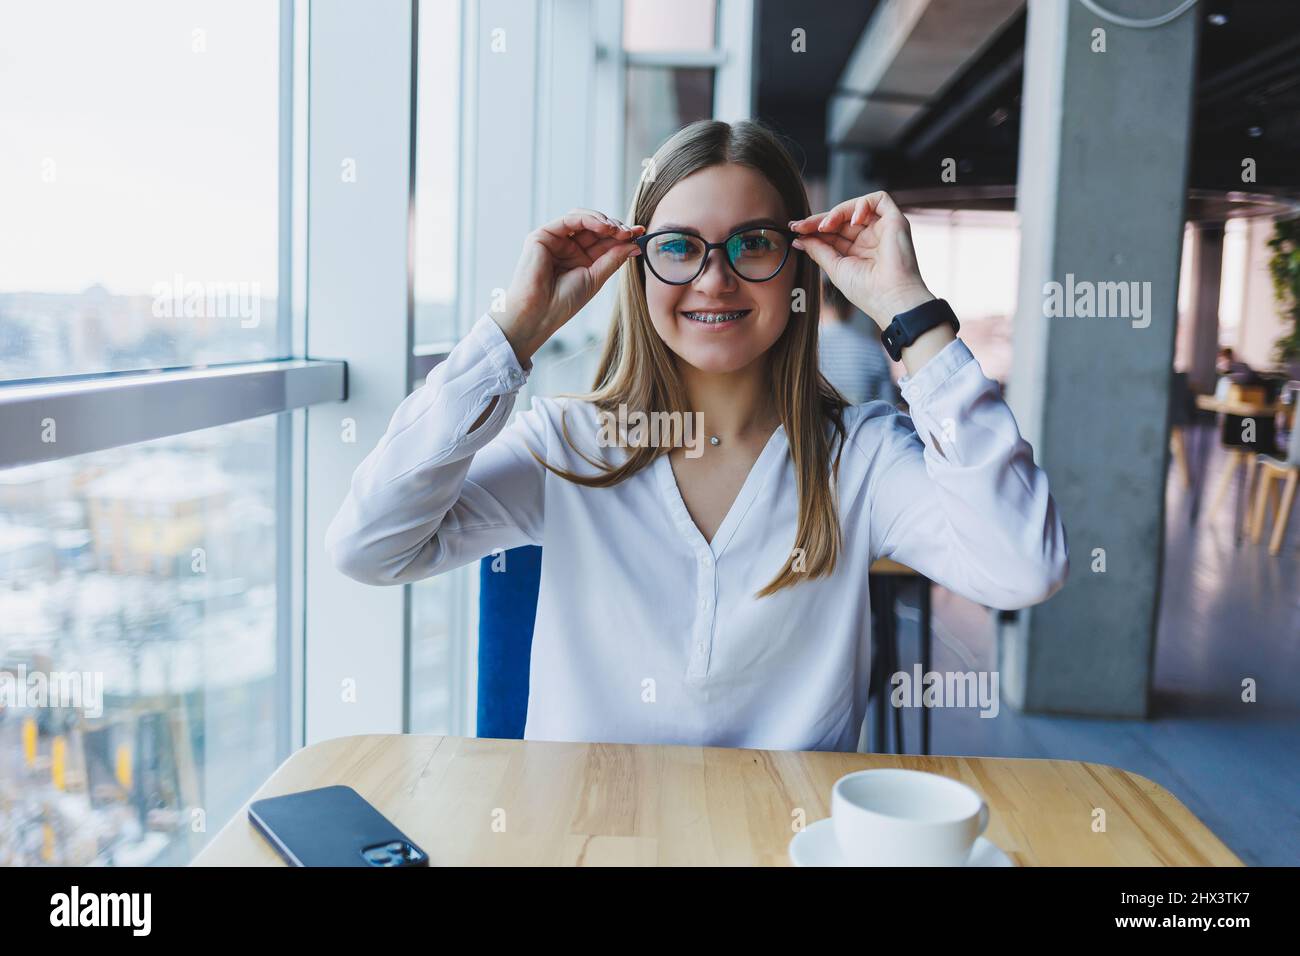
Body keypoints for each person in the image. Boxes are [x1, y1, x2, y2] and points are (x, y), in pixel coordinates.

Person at [326, 119, 1068, 752]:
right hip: (583, 841)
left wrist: (909, 310)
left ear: (798, 268)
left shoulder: (861, 457)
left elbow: (1023, 567)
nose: (714, 280)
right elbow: (370, 546)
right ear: (638, 267)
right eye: (679, 247)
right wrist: (510, 336)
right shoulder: (568, 444)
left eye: (751, 245)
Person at [817, 271, 897, 406]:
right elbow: (889, 406)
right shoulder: (873, 350)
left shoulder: (804, 349)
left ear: (819, 302)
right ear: (852, 307)